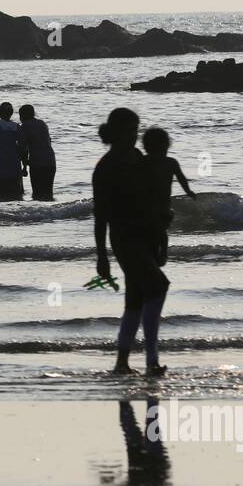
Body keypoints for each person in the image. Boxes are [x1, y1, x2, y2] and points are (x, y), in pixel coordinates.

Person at [92, 107, 169, 375]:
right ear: (117, 132)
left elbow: (151, 197)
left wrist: (161, 234)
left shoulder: (137, 158)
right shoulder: (105, 168)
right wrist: (101, 256)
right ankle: (151, 361)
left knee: (135, 300)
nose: (134, 137)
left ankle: (122, 363)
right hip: (125, 239)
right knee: (159, 286)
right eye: (130, 131)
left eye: (136, 131)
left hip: (146, 234)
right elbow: (100, 216)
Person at [141, 126, 196, 266]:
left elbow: (181, 178)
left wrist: (188, 191)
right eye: (157, 150)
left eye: (164, 149)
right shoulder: (143, 162)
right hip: (146, 206)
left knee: (160, 231)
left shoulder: (171, 162)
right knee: (152, 233)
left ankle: (163, 251)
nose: (161, 153)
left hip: (164, 206)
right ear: (147, 148)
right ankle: (154, 255)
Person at [0, 102, 25, 200]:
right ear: (11, 113)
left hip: (2, 159)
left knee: (1, 182)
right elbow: (21, 143)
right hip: (14, 159)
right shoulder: (17, 126)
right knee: (15, 184)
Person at [18, 104, 56, 201]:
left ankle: (39, 215)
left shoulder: (24, 127)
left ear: (22, 116)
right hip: (51, 161)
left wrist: (25, 167)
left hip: (37, 164)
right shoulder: (42, 123)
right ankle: (53, 215)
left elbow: (23, 149)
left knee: (37, 194)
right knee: (48, 193)